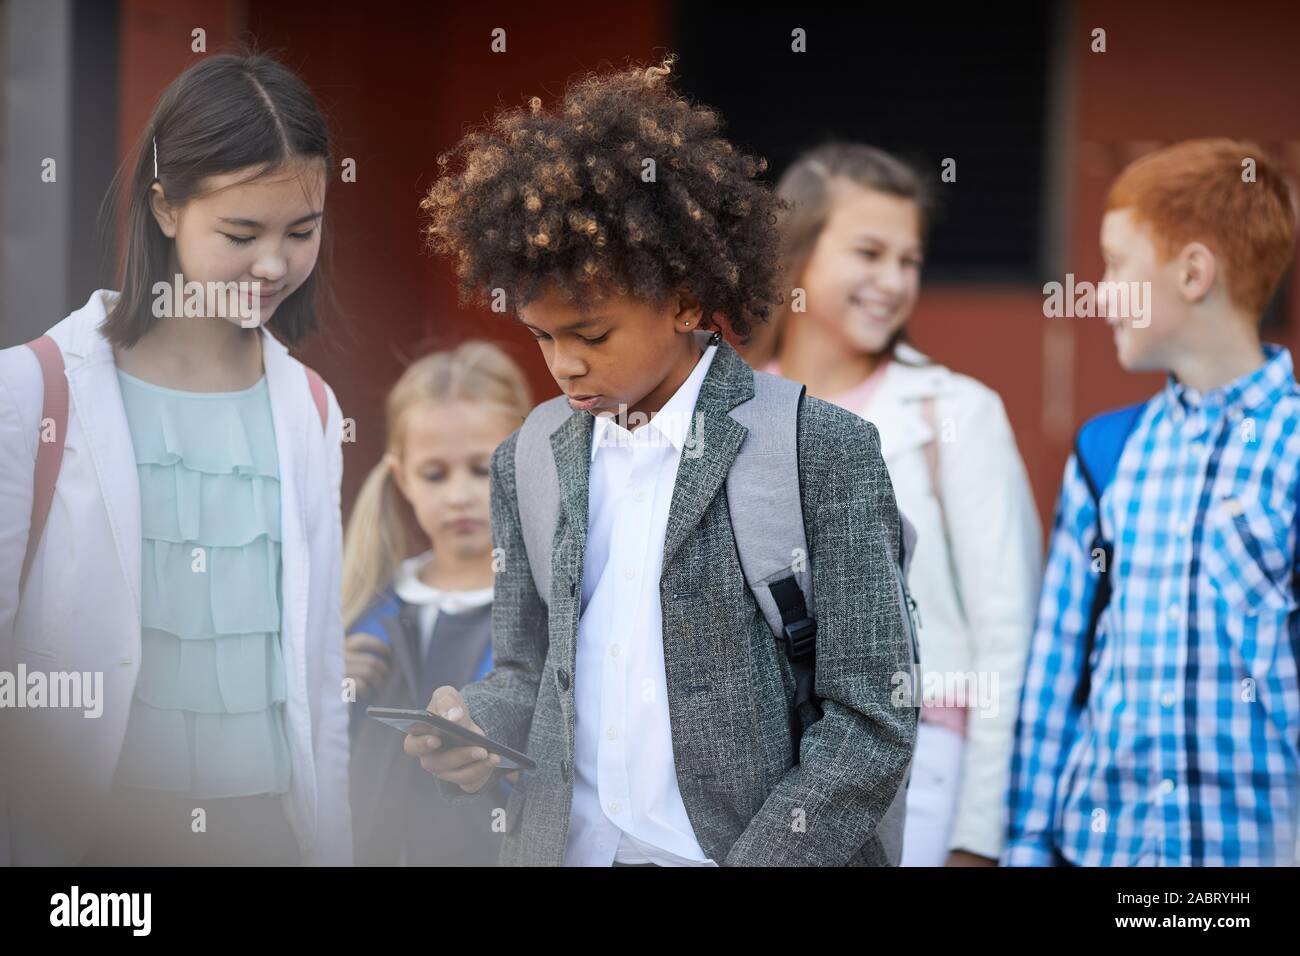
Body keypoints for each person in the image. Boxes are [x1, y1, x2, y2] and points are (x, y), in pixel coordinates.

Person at [402, 58, 916, 866]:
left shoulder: (822, 451)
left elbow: (872, 721)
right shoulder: (528, 459)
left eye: (592, 335)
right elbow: (530, 673)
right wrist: (474, 726)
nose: (562, 365)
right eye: (542, 337)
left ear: (683, 299)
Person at [0, 52, 351, 866]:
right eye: (241, 233)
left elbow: (318, 671)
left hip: (268, 836)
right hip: (91, 843)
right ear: (164, 207)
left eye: (302, 231)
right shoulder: (34, 390)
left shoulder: (311, 407)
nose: (274, 265)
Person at [1004, 138, 1300, 866]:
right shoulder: (1107, 455)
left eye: (1116, 266)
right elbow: (1057, 669)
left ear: (1193, 272)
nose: (1099, 293)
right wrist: (1026, 845)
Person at [752, 143, 1042, 866]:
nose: (892, 281)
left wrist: (977, 837)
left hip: (922, 778)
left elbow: (1009, 638)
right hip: (761, 785)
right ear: (796, 256)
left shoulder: (958, 412)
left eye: (908, 261)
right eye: (869, 252)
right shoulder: (735, 412)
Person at [344, 342, 531, 865]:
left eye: (482, 469)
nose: (459, 495)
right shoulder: (366, 604)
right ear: (401, 477)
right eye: (434, 474)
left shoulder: (545, 610)